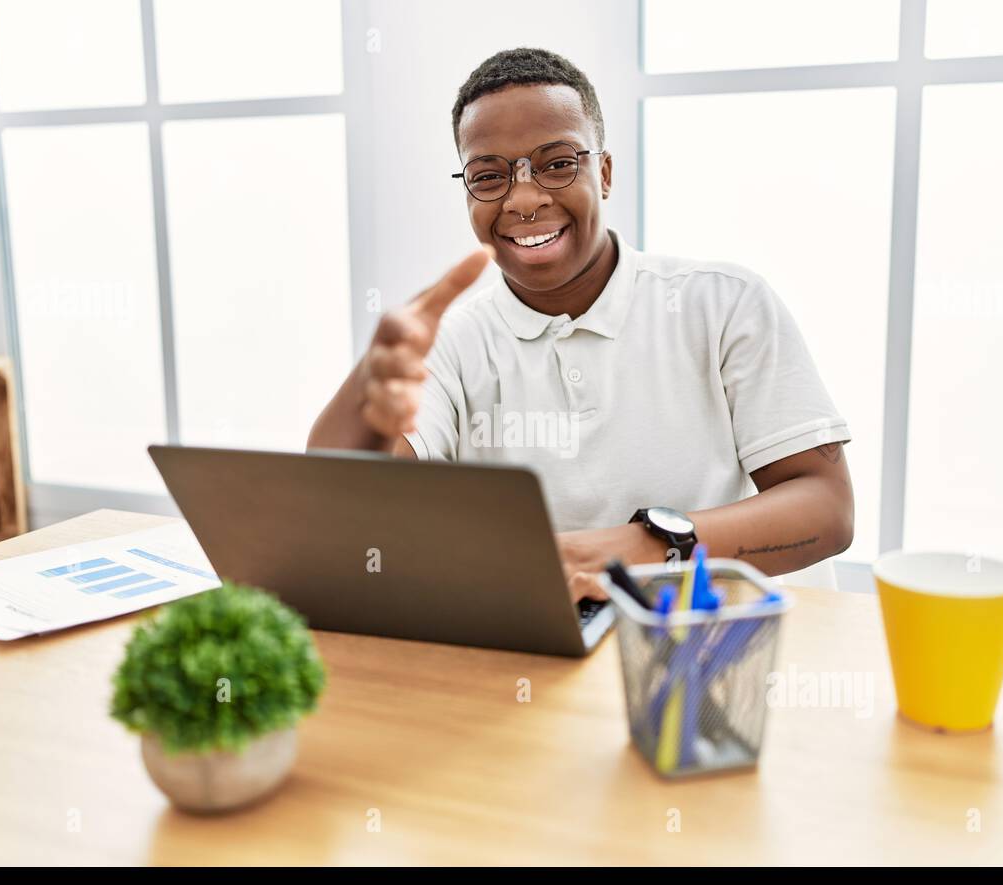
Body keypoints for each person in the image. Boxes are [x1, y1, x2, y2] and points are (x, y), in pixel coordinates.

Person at [309, 48, 854, 601]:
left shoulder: (723, 302)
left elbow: (825, 506)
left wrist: (637, 550)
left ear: (605, 172)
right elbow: (345, 511)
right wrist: (365, 397)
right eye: (489, 176)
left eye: (558, 163)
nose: (524, 199)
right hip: (542, 651)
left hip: (711, 646)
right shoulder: (450, 343)